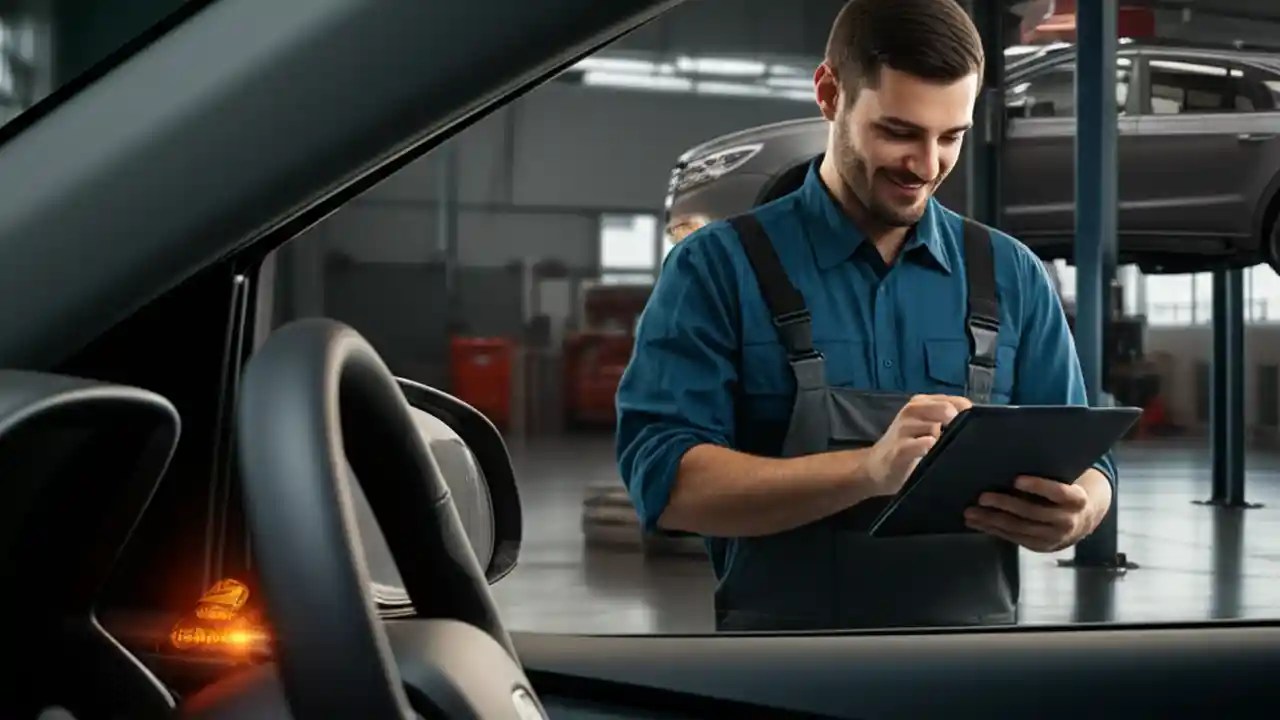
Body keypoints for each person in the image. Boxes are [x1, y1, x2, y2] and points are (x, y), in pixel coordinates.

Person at [615, 0, 1118, 632]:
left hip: (977, 669)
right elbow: (665, 483)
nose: (927, 165)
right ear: (829, 94)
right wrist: (867, 471)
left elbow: (1091, 468)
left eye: (951, 137)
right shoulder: (716, 268)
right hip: (782, 671)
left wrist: (1078, 513)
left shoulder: (1012, 274)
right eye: (899, 131)